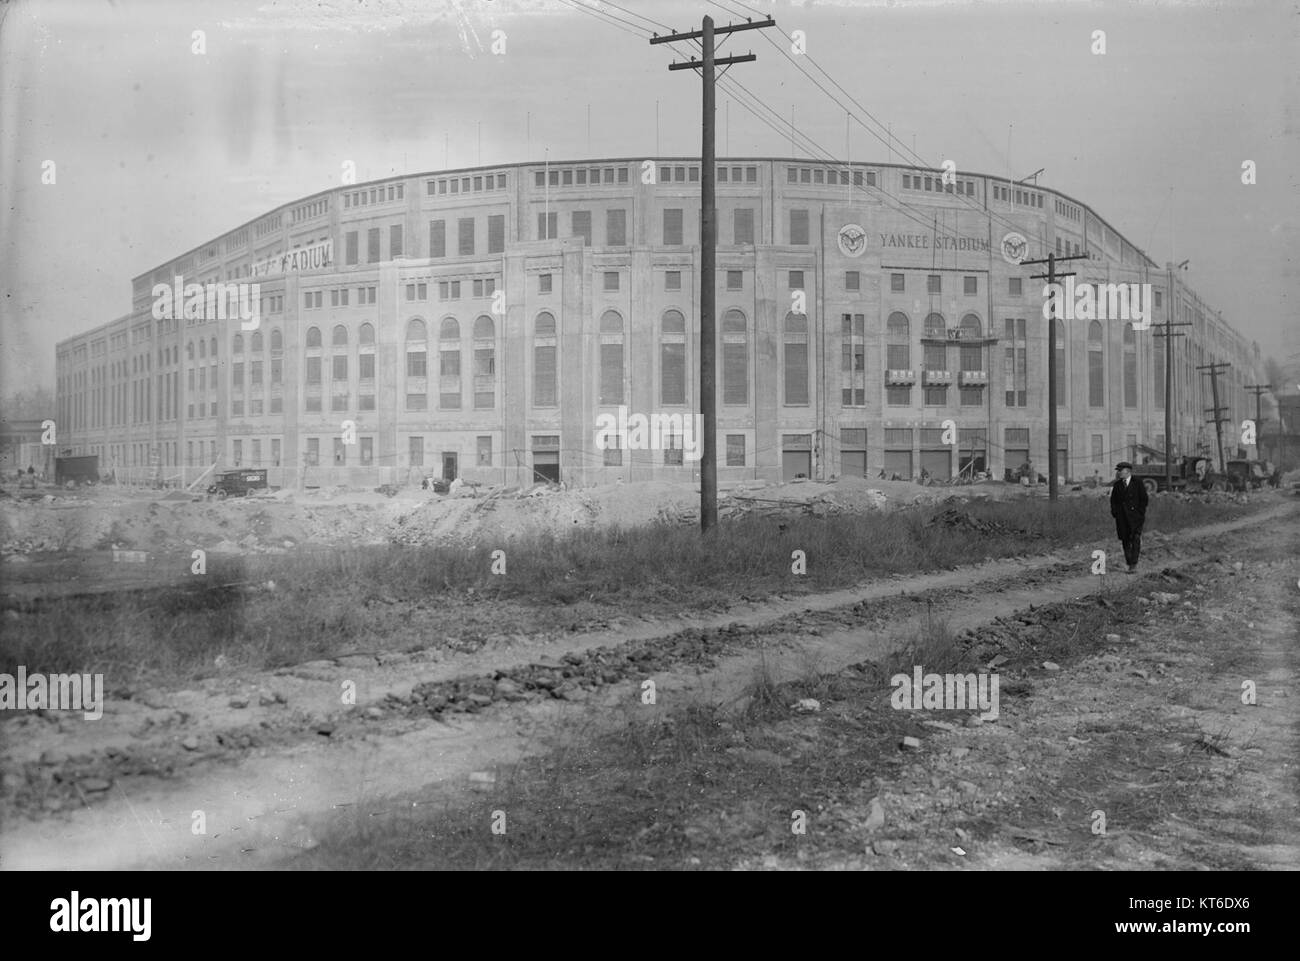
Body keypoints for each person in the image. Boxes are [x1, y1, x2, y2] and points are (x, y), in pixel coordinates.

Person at [1109, 461, 1148, 573]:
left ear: (1128, 471)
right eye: (1118, 470)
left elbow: (1144, 499)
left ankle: (1134, 564)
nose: (1119, 472)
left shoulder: (1138, 482)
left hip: (1135, 517)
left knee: (1135, 539)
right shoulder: (1117, 485)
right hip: (1122, 518)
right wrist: (1115, 513)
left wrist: (1140, 513)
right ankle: (1129, 562)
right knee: (1125, 540)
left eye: (1120, 470)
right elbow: (1113, 501)